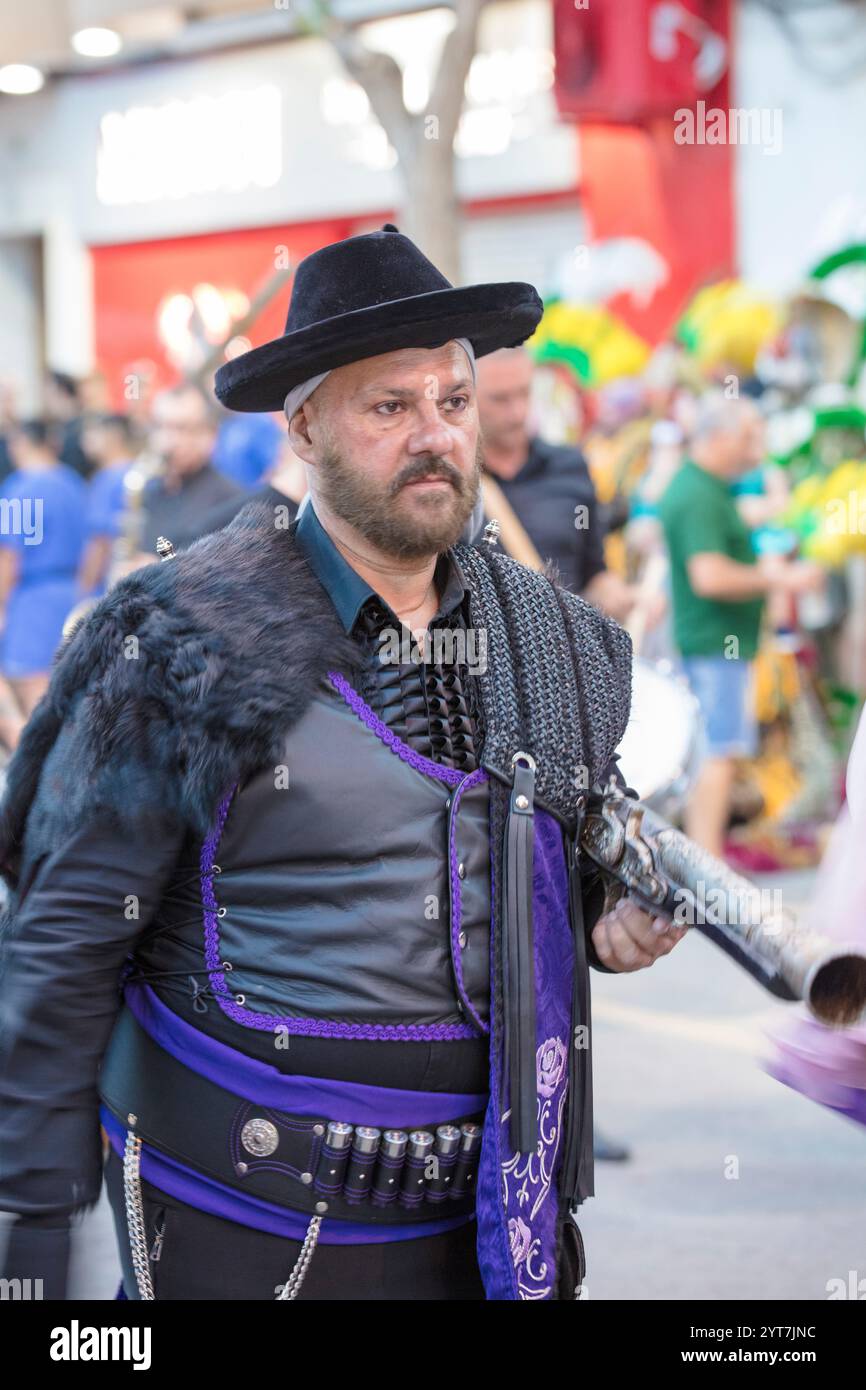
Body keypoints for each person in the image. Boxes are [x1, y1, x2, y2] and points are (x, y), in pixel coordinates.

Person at [0, 225, 686, 1303]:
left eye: (452, 401)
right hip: (235, 1223)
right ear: (304, 425)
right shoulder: (177, 638)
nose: (434, 436)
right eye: (389, 407)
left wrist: (605, 920)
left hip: (492, 1228)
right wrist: (30, 1233)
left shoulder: (545, 641)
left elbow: (546, 864)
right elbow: (65, 940)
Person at [658, 394, 822, 857]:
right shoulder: (697, 494)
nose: (758, 446)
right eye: (750, 435)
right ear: (721, 436)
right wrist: (777, 577)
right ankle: (707, 862)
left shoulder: (706, 488)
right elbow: (708, 576)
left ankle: (705, 860)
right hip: (714, 643)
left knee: (718, 750)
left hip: (716, 642)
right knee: (718, 752)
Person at [475, 346, 663, 625]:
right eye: (499, 399)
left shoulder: (570, 467)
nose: (517, 412)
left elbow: (594, 573)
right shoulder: (450, 481)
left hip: (560, 655)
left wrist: (624, 598)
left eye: (524, 393)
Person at [0, 419, 86, 717]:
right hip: (72, 594)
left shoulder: (22, 487)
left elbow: (10, 555)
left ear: (19, 444)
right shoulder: (72, 482)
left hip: (32, 601)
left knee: (34, 694)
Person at [136, 382, 242, 558]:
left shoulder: (231, 500)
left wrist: (154, 569)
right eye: (160, 426)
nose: (167, 442)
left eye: (182, 428)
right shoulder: (149, 491)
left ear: (210, 434)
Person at [78, 413, 139, 598]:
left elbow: (99, 541)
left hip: (112, 578)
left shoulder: (107, 478)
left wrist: (84, 590)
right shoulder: (139, 470)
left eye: (92, 433)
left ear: (113, 436)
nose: (85, 440)